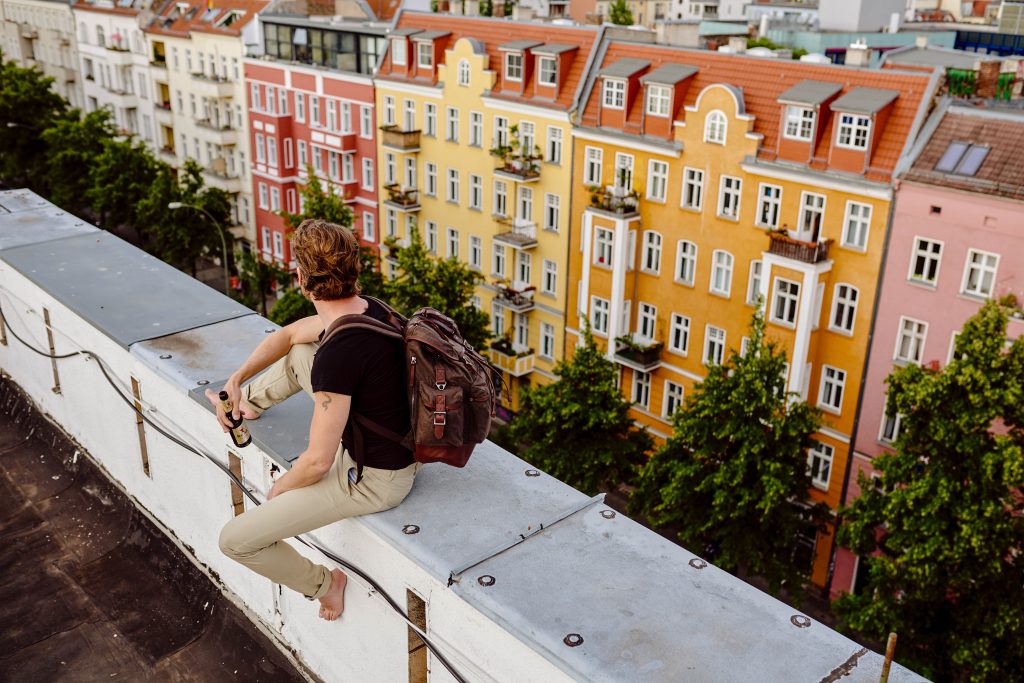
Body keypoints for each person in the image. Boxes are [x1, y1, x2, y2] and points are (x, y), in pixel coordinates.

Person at [207, 218, 417, 621]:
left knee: (236, 541)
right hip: (389, 436)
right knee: (302, 353)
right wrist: (236, 381)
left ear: (300, 278)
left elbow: (319, 463)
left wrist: (280, 487)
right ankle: (245, 403)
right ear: (354, 270)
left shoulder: (339, 355)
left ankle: (324, 585)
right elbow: (286, 338)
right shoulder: (367, 309)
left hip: (374, 479)